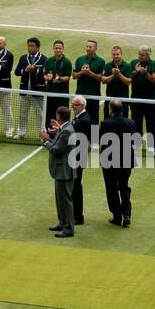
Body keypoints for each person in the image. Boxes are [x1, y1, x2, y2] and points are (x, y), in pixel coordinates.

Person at [98, 99, 137, 227]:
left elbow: (100, 140)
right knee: (124, 187)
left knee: (112, 189)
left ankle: (117, 216)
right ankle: (127, 214)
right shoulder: (131, 123)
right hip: (126, 161)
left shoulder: (105, 124)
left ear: (111, 110)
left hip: (110, 162)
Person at [42, 104, 77, 238]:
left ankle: (68, 228)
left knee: (65, 201)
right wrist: (50, 136)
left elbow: (57, 149)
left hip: (64, 171)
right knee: (60, 200)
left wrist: (46, 141)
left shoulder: (67, 131)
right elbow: (58, 144)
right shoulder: (64, 129)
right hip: (62, 171)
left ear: (59, 116)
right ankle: (62, 223)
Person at [13, 36, 47, 140]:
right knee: (23, 113)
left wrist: (35, 70)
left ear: (38, 48)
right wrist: (26, 70)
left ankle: (41, 135)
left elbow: (44, 74)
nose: (30, 48)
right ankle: (21, 132)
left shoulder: (44, 59)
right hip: (24, 91)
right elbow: (17, 72)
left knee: (39, 115)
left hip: (38, 92)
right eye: (29, 46)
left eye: (32, 46)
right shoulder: (23, 58)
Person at [69, 95, 91, 226]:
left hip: (77, 158)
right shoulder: (79, 118)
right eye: (72, 104)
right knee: (74, 186)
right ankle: (75, 214)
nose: (73, 106)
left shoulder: (84, 120)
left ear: (82, 106)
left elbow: (75, 137)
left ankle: (78, 216)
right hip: (76, 156)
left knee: (76, 187)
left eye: (75, 104)